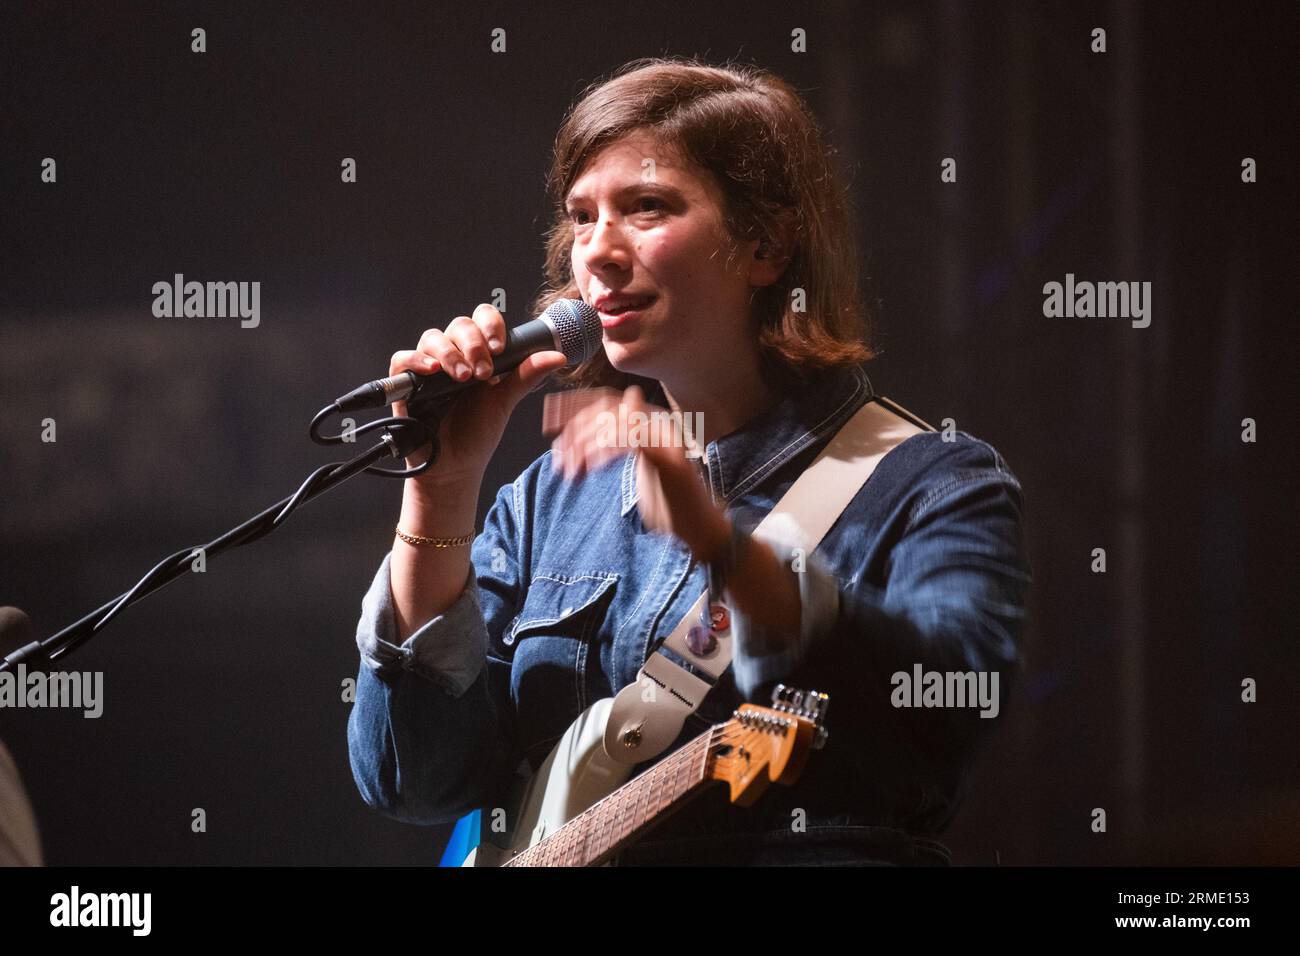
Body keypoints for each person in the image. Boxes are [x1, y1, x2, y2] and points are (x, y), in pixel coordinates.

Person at [347, 58, 1030, 866]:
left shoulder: (935, 483)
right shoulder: (547, 500)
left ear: (767, 243)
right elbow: (413, 784)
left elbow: (938, 732)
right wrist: (443, 488)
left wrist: (724, 545)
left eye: (645, 207)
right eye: (581, 216)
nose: (596, 251)